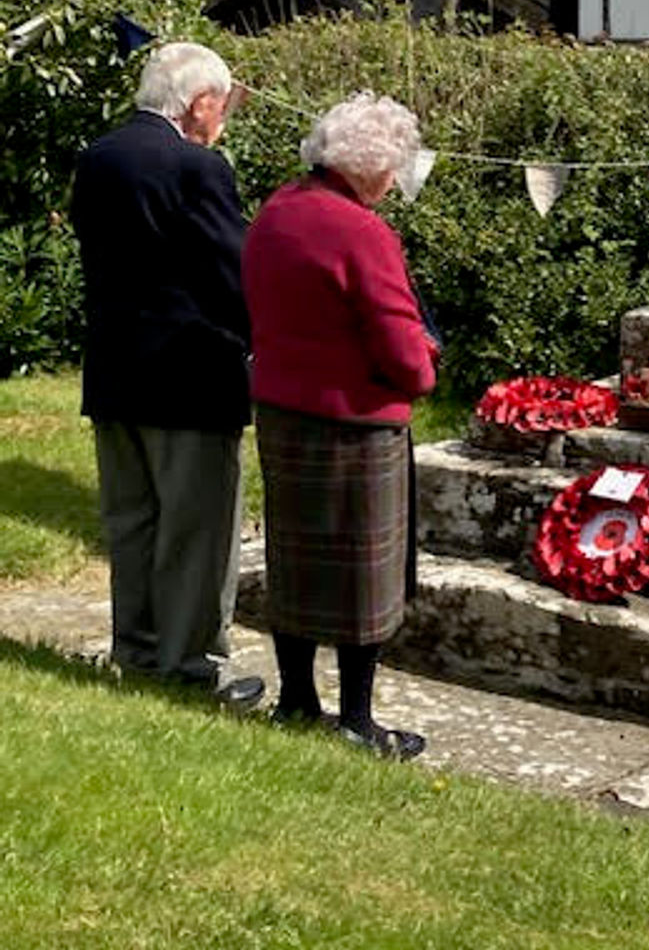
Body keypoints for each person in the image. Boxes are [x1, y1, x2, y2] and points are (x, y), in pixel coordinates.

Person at [241, 92, 438, 759]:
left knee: (294, 563)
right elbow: (399, 342)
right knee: (364, 579)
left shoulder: (277, 210)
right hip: (355, 423)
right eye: (394, 168)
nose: (395, 182)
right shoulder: (363, 231)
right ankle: (357, 721)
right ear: (373, 166)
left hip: (282, 411)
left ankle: (296, 700)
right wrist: (424, 371)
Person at [69, 41, 263, 706]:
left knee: (133, 522)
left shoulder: (99, 156)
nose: (224, 118)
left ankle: (139, 652)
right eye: (224, 104)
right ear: (199, 102)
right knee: (196, 531)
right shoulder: (197, 166)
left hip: (115, 367)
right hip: (190, 372)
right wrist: (260, 338)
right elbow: (232, 271)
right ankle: (191, 667)